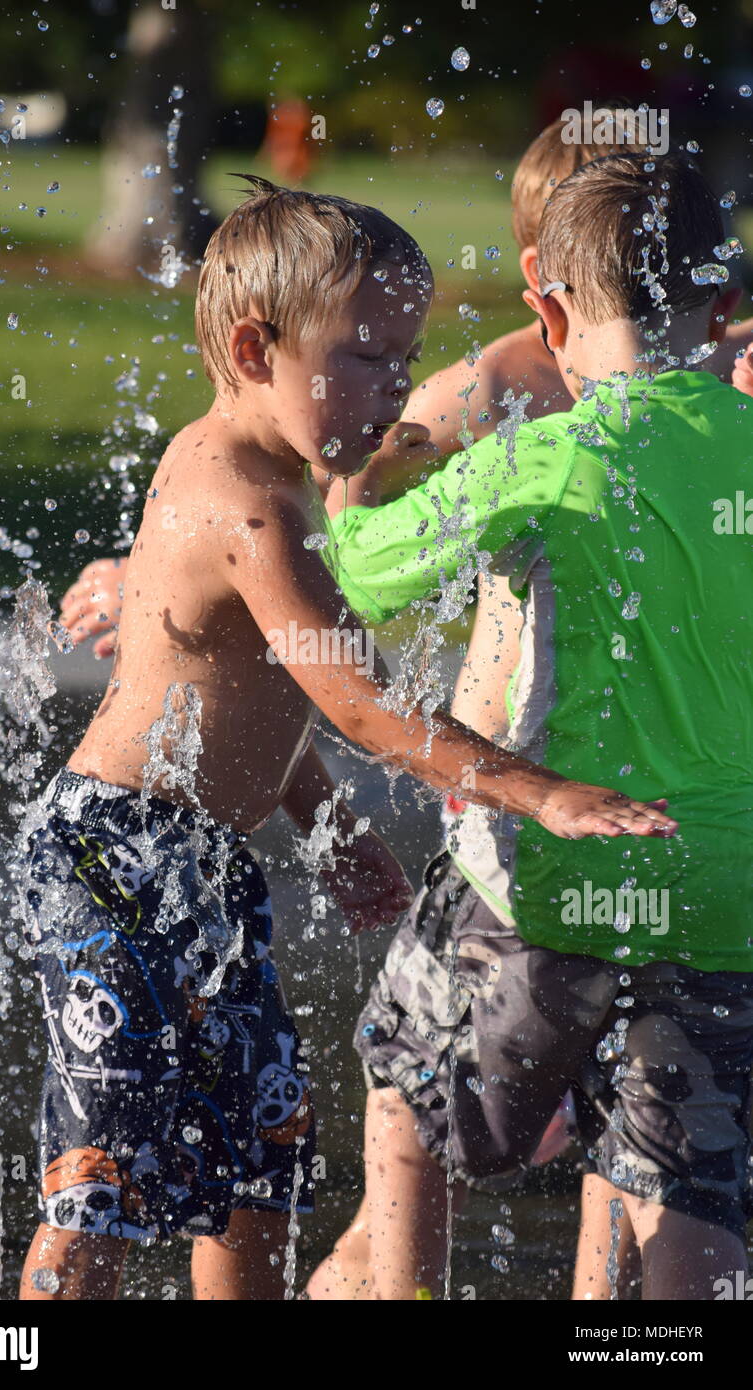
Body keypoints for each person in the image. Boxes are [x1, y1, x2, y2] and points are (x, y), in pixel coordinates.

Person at [19, 177, 672, 1303]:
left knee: (261, 1155)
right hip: (110, 864)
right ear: (252, 345)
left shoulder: (276, 477)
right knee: (105, 1170)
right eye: (366, 356)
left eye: (405, 354)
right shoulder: (250, 503)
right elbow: (355, 700)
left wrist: (319, 821)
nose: (395, 385)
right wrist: (537, 791)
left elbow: (240, 702)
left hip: (197, 865)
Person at [314, 151, 753, 1302]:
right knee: (685, 1196)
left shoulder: (540, 456)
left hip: (549, 883)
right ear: (722, 308)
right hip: (729, 895)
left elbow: (362, 578)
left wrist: (360, 486)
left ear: (549, 312)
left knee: (404, 1097)